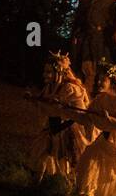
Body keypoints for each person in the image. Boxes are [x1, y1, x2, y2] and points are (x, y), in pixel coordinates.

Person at [70, 64, 116, 196]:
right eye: (99, 79)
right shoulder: (102, 99)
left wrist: (109, 119)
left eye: (103, 80)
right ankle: (83, 194)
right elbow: (88, 116)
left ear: (113, 82)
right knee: (88, 158)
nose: (99, 82)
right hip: (105, 140)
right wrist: (68, 110)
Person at [30, 51, 89, 183]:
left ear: (59, 72)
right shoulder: (49, 87)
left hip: (67, 128)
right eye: (45, 71)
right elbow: (46, 106)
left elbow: (81, 112)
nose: (44, 75)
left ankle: (71, 186)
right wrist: (34, 100)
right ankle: (34, 185)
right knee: (40, 153)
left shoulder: (70, 88)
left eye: (48, 72)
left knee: (67, 160)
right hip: (52, 127)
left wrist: (63, 107)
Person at [72, 0, 116, 90]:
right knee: (87, 66)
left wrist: (108, 28)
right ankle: (87, 91)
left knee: (103, 66)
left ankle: (104, 91)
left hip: (102, 37)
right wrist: (76, 32)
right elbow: (79, 17)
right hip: (88, 37)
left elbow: (115, 16)